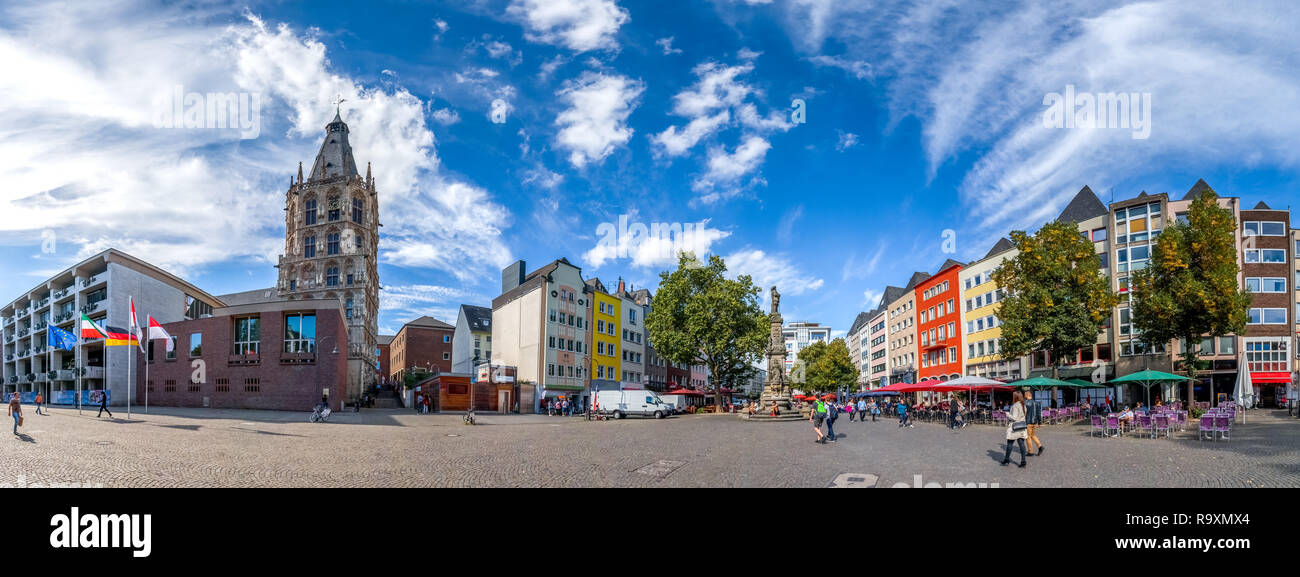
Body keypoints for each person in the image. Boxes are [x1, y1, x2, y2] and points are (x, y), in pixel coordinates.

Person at [1002, 390, 1028, 468]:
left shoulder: (1016, 405)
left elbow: (1014, 418)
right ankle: (1023, 461)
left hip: (1015, 427)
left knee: (1010, 444)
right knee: (1022, 444)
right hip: (1022, 427)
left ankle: (1006, 460)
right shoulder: (1023, 405)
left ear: (1015, 397)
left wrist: (1007, 414)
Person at [1024, 393, 1043, 457]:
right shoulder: (1037, 403)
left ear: (1027, 395)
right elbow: (1039, 413)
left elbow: (1023, 413)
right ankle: (1040, 446)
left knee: (1028, 437)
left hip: (1028, 422)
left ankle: (1030, 451)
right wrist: (1039, 422)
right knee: (1033, 435)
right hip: (1035, 422)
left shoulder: (1025, 403)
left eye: (1025, 395)